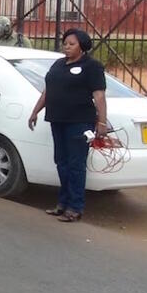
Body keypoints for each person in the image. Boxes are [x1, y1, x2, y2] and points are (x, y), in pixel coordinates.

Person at [28, 28, 106, 222]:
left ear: (82, 46)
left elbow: (99, 96)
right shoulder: (58, 64)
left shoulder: (92, 66)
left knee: (75, 165)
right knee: (61, 162)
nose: (67, 47)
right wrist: (35, 111)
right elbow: (48, 91)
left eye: (72, 44)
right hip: (58, 120)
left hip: (79, 122)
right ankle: (62, 203)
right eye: (65, 43)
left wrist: (102, 121)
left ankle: (75, 207)